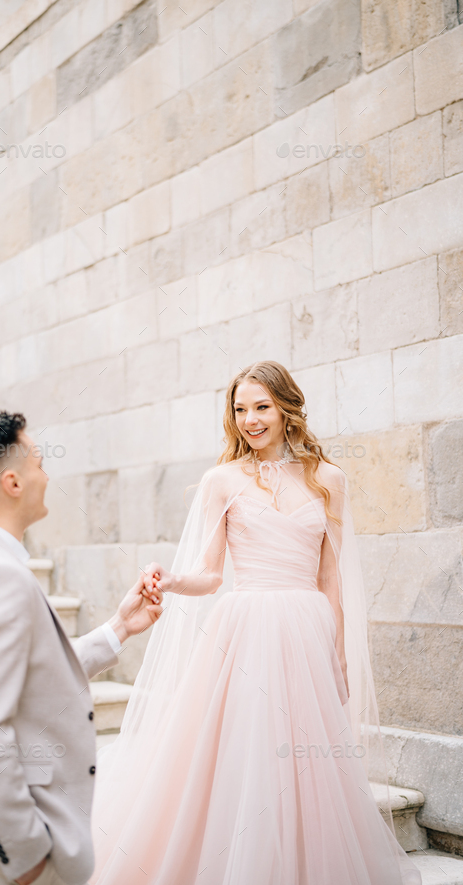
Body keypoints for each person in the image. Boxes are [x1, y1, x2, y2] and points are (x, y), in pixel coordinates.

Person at [89, 361, 422, 885]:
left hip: (306, 631)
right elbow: (209, 573)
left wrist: (337, 653)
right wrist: (172, 580)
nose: (250, 419)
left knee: (306, 760)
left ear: (287, 408)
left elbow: (330, 580)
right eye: (240, 409)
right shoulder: (221, 480)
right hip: (243, 629)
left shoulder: (329, 478)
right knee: (242, 753)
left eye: (261, 407)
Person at [0, 410, 163, 885]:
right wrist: (26, 859)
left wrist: (118, 628)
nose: (47, 475)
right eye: (39, 463)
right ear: (13, 482)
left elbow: (26, 680)